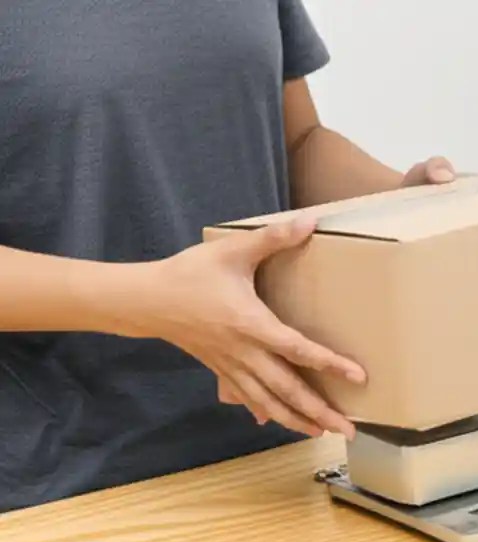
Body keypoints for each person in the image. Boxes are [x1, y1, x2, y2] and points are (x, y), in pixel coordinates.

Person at [0, 1, 455, 512]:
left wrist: (402, 201)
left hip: (281, 460)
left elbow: (295, 145)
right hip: (59, 491)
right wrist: (152, 300)